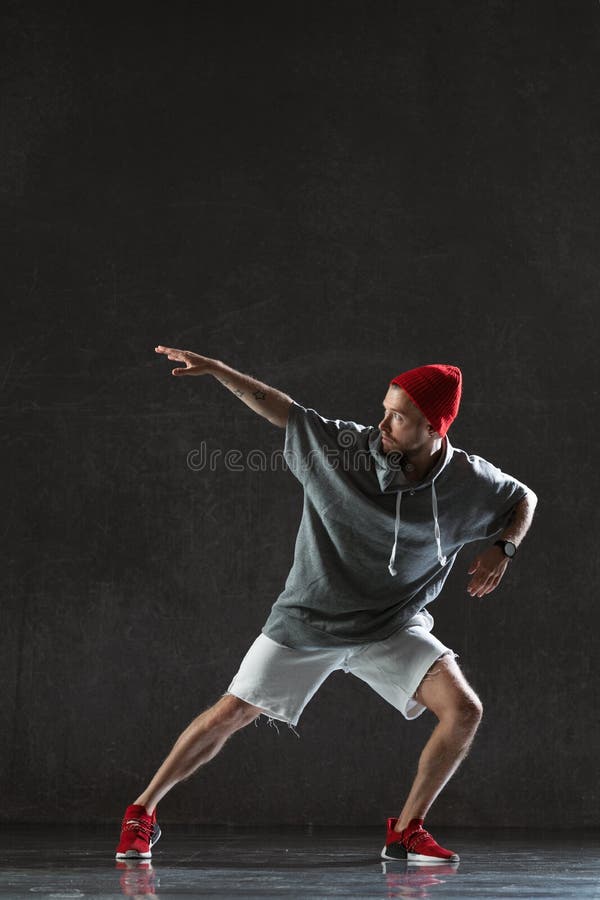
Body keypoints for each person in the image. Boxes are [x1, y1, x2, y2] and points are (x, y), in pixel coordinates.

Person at [115, 347, 538, 864]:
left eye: (398, 417)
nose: (382, 423)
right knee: (231, 713)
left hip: (391, 624)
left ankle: (406, 831)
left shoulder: (467, 481)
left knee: (464, 710)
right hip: (311, 620)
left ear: (434, 427)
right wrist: (220, 372)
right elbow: (283, 409)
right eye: (384, 409)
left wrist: (504, 547)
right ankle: (141, 812)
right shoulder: (345, 449)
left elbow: (524, 499)